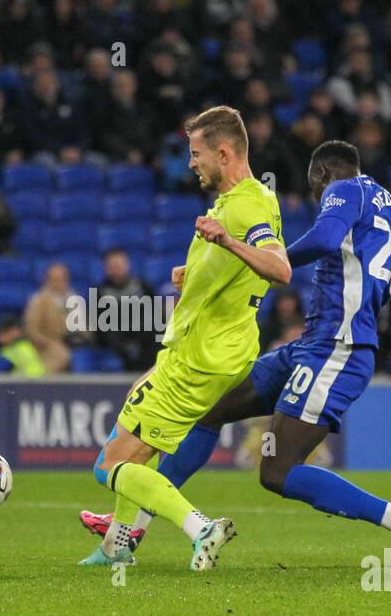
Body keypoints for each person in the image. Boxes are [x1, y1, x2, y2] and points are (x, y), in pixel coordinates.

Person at [81, 141, 391, 569]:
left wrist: (265, 259)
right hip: (311, 348)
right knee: (210, 410)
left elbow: (325, 238)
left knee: (277, 471)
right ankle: (133, 523)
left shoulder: (343, 188)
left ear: (320, 178)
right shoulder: (387, 211)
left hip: (338, 353)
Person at [79, 106, 293, 571]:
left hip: (199, 357)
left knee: (109, 465)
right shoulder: (253, 198)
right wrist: (194, 273)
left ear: (223, 152)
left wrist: (227, 243)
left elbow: (279, 268)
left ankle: (201, 528)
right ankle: (116, 546)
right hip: (217, 352)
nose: (190, 163)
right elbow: (239, 271)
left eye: (196, 154)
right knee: (137, 435)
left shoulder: (245, 206)